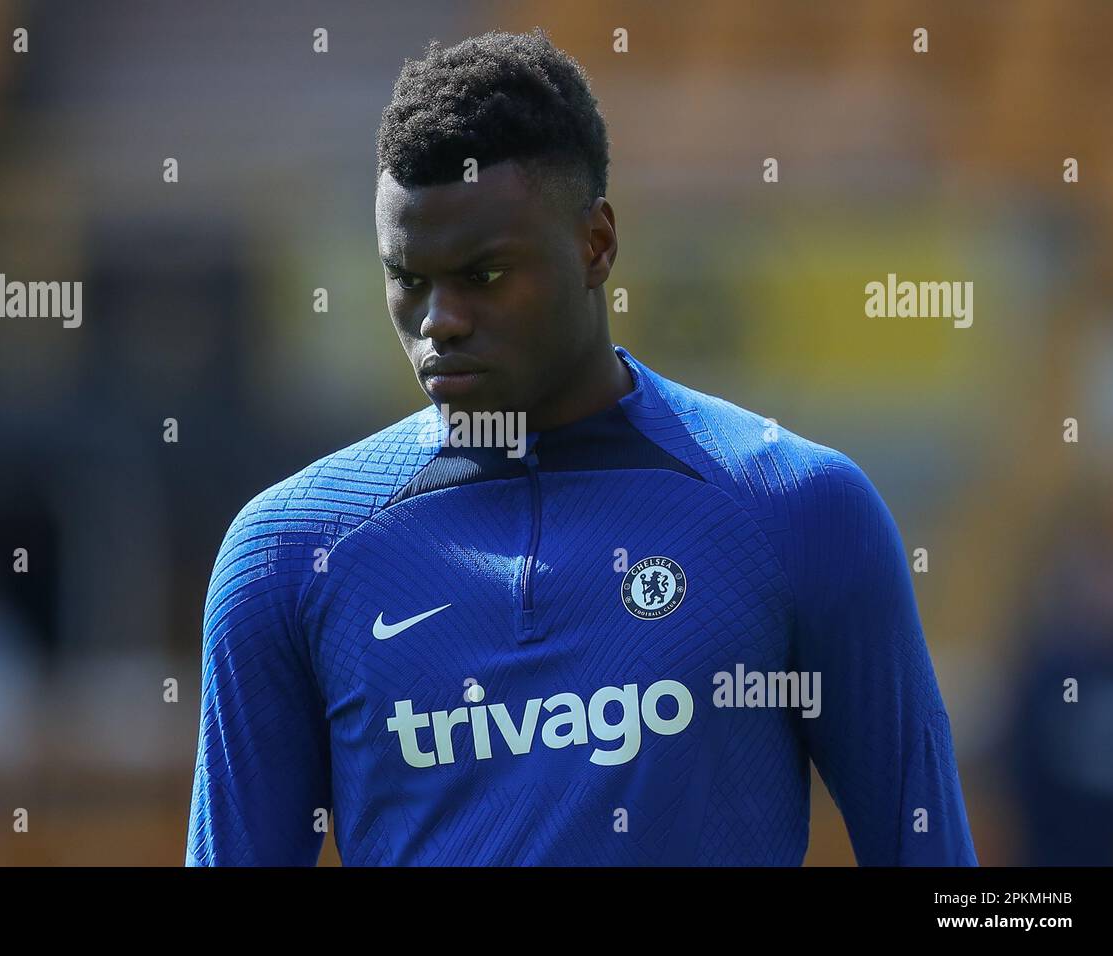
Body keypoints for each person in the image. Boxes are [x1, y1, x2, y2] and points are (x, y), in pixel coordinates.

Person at [187, 28, 977, 866]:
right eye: (409, 279)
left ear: (597, 244)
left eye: (484, 274)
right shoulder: (289, 553)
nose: (439, 321)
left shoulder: (799, 511)